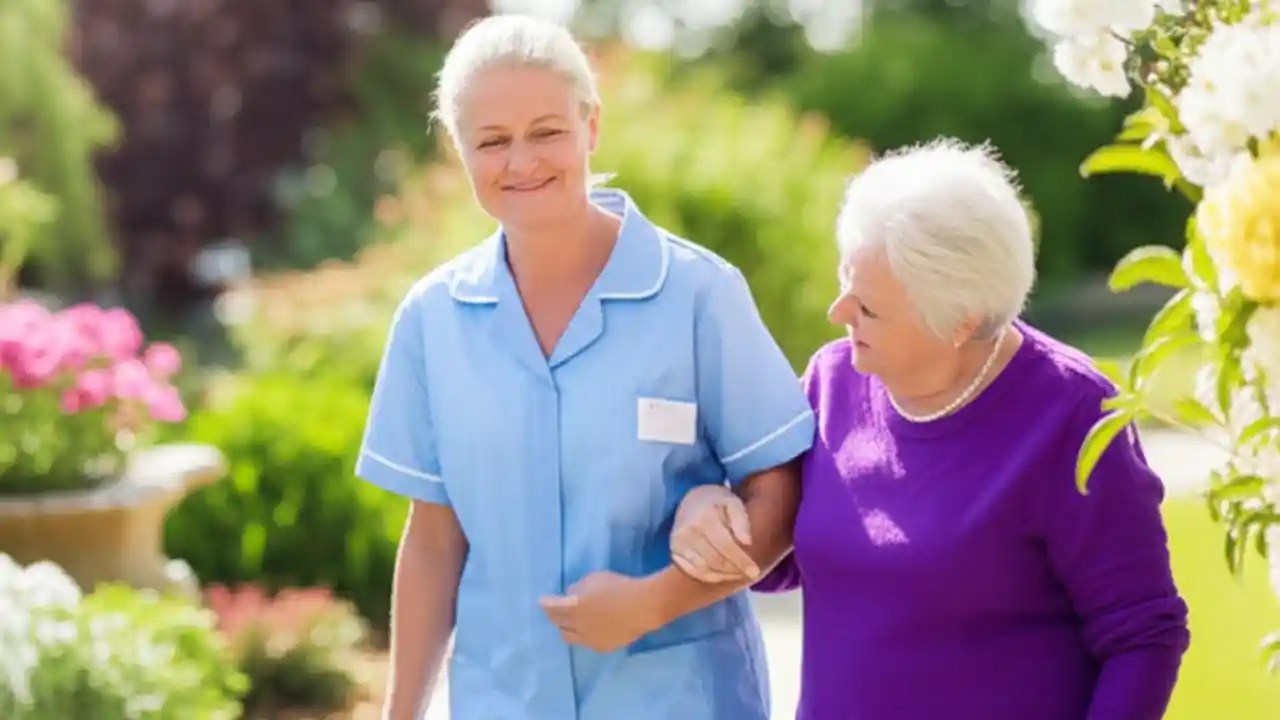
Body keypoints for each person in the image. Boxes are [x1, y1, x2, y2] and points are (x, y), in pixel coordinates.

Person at [354, 14, 815, 720]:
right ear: (459, 151)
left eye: (546, 131)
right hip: (501, 701)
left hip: (681, 699)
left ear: (591, 126)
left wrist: (649, 604)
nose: (522, 162)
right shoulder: (432, 319)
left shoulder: (697, 293)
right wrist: (399, 714)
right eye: (492, 141)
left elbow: (780, 491)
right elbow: (434, 541)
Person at [670, 139, 1192, 719]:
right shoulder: (831, 380)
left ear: (960, 323)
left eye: (868, 308)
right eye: (846, 281)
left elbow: (1143, 634)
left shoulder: (1071, 414)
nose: (838, 313)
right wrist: (708, 502)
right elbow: (787, 558)